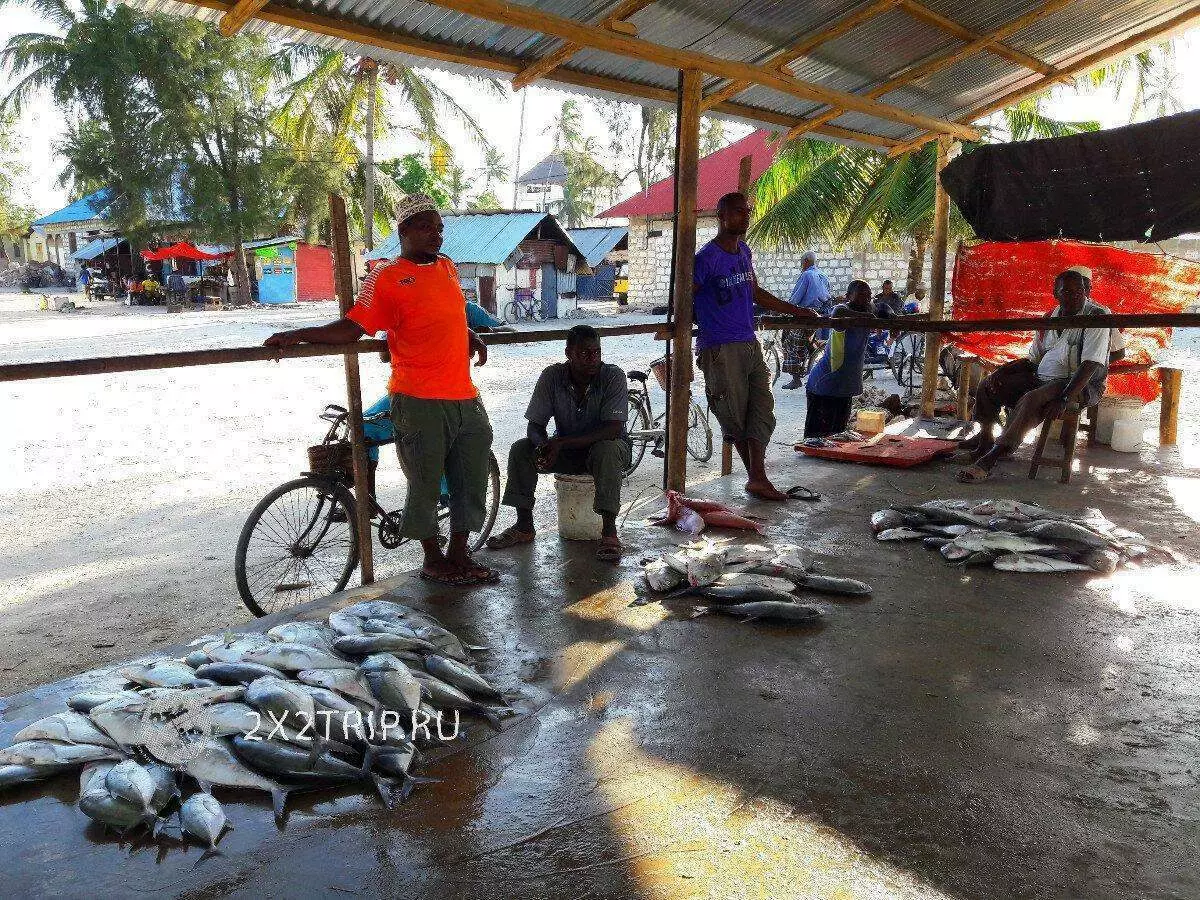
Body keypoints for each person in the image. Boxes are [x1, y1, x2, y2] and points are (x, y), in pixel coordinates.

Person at [264, 193, 497, 586]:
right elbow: (352, 327)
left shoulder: (448, 268)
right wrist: (298, 334)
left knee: (471, 476)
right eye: (426, 227)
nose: (436, 236)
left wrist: (469, 333)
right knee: (423, 481)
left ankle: (460, 555)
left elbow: (444, 314)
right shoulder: (386, 277)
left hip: (464, 395)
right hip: (417, 397)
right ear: (404, 230)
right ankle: (434, 559)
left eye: (439, 229)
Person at [694, 192, 817, 501]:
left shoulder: (743, 252)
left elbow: (754, 292)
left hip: (749, 341)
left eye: (747, 212)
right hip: (720, 347)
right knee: (733, 415)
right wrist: (695, 331)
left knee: (762, 408)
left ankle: (757, 477)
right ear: (721, 216)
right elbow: (685, 295)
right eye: (738, 212)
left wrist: (795, 310)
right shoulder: (707, 258)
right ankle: (758, 478)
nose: (745, 216)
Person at [957, 266, 1115, 483]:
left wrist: (1064, 398)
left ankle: (991, 458)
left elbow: (1089, 364)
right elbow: (1034, 358)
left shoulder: (1097, 316)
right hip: (1042, 377)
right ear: (1055, 294)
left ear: (1086, 291)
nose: (1075, 296)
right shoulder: (1050, 317)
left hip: (1079, 384)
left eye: (1079, 291)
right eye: (1067, 292)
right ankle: (985, 440)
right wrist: (1003, 370)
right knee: (989, 384)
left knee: (1033, 399)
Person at [486, 325, 631, 561]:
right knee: (522, 449)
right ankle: (524, 526)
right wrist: (543, 446)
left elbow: (613, 429)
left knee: (608, 449)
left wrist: (560, 442)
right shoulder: (552, 377)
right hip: (567, 452)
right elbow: (534, 425)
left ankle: (609, 532)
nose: (593, 359)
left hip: (607, 450)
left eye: (597, 352)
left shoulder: (613, 376)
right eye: (585, 353)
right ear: (568, 354)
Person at [804, 280, 874, 438]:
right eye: (861, 294)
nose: (866, 298)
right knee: (816, 438)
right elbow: (837, 314)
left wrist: (888, 316)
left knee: (837, 437)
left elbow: (883, 309)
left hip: (845, 387)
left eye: (869, 295)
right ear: (849, 296)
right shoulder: (843, 310)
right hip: (824, 385)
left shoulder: (868, 310)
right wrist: (867, 316)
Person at [781, 250, 831, 389]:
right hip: (822, 316)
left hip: (808, 316)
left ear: (806, 262)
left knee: (789, 342)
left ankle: (796, 379)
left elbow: (795, 299)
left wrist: (784, 308)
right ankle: (810, 366)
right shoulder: (823, 275)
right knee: (810, 343)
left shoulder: (806, 275)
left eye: (801, 263)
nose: (801, 265)